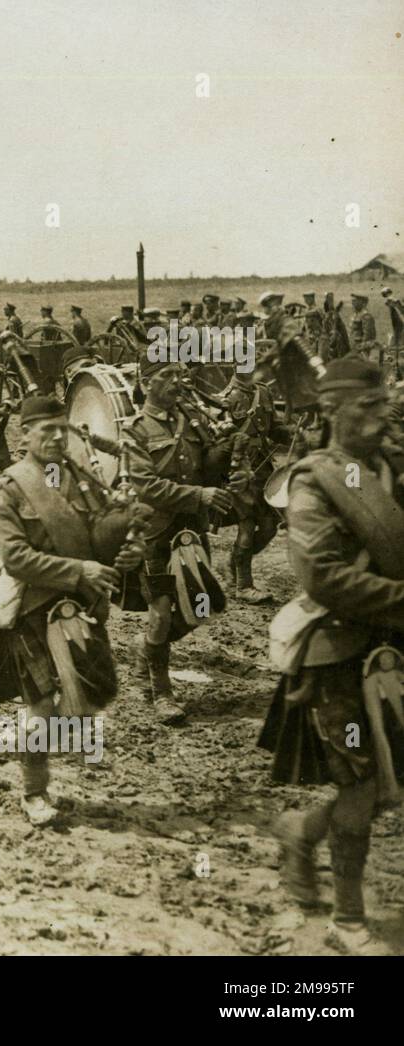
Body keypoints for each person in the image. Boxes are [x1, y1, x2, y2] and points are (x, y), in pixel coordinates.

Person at [258, 358, 404, 954]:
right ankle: (349, 924)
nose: (381, 416)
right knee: (361, 787)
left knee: (384, 784)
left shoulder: (393, 469)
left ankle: (299, 831)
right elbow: (322, 576)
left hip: (393, 649)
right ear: (330, 412)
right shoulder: (314, 481)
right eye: (366, 408)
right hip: (337, 654)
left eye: (383, 404)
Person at [0, 395, 142, 825]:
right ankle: (34, 793)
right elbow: (15, 557)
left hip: (83, 606)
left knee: (89, 698)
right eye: (45, 430)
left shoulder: (81, 476)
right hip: (34, 610)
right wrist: (80, 570)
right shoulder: (11, 487)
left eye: (61, 429)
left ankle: (31, 742)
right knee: (41, 708)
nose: (56, 437)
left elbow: (100, 532)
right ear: (25, 435)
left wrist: (123, 555)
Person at [126, 357, 232, 723]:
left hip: (192, 529)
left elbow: (209, 464)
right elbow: (147, 486)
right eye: (166, 376)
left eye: (178, 374)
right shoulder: (134, 431)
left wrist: (232, 466)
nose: (176, 381)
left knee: (199, 606)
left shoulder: (193, 421)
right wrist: (198, 495)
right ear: (145, 382)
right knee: (160, 610)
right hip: (156, 532)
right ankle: (162, 692)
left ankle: (145, 654)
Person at [220, 351, 282, 603]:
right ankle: (243, 585)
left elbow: (275, 428)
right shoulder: (224, 400)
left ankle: (234, 563)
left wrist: (293, 434)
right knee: (247, 524)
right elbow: (219, 441)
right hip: (239, 469)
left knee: (269, 526)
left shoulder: (263, 392)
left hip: (264, 467)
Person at [350, 293, 378, 361]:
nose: (352, 302)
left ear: (362, 302)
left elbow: (368, 335)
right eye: (352, 301)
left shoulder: (366, 316)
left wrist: (362, 348)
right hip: (354, 347)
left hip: (361, 350)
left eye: (355, 301)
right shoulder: (355, 315)